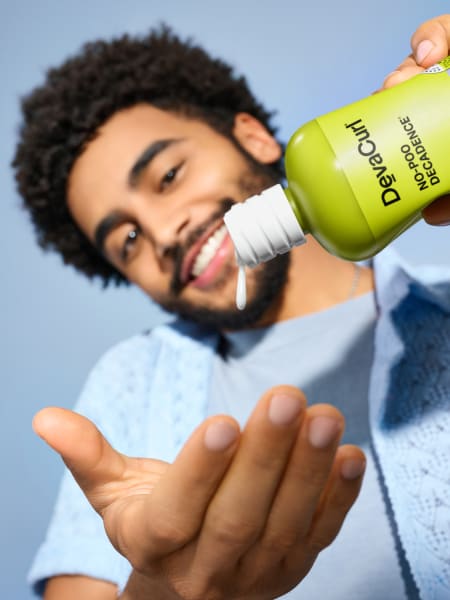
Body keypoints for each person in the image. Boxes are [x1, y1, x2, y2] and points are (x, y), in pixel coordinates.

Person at [13, 14, 450, 600]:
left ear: (253, 136)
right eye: (129, 242)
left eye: (168, 174)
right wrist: (165, 590)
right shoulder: (131, 386)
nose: (165, 232)